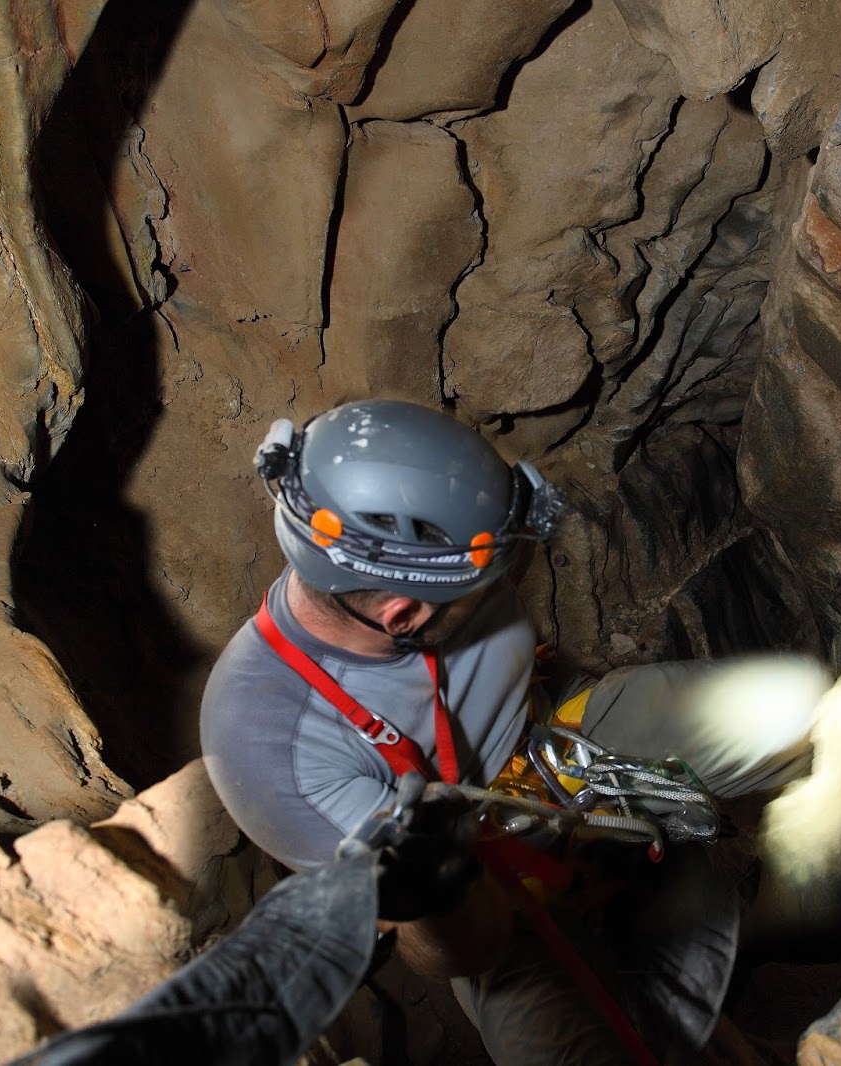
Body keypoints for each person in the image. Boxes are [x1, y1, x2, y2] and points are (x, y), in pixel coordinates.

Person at [200, 398, 810, 1064]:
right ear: (402, 614)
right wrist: (434, 887)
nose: (502, 584)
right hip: (477, 897)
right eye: (482, 583)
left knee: (801, 708)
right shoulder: (273, 753)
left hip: (556, 746)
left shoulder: (428, 541)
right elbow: (458, 947)